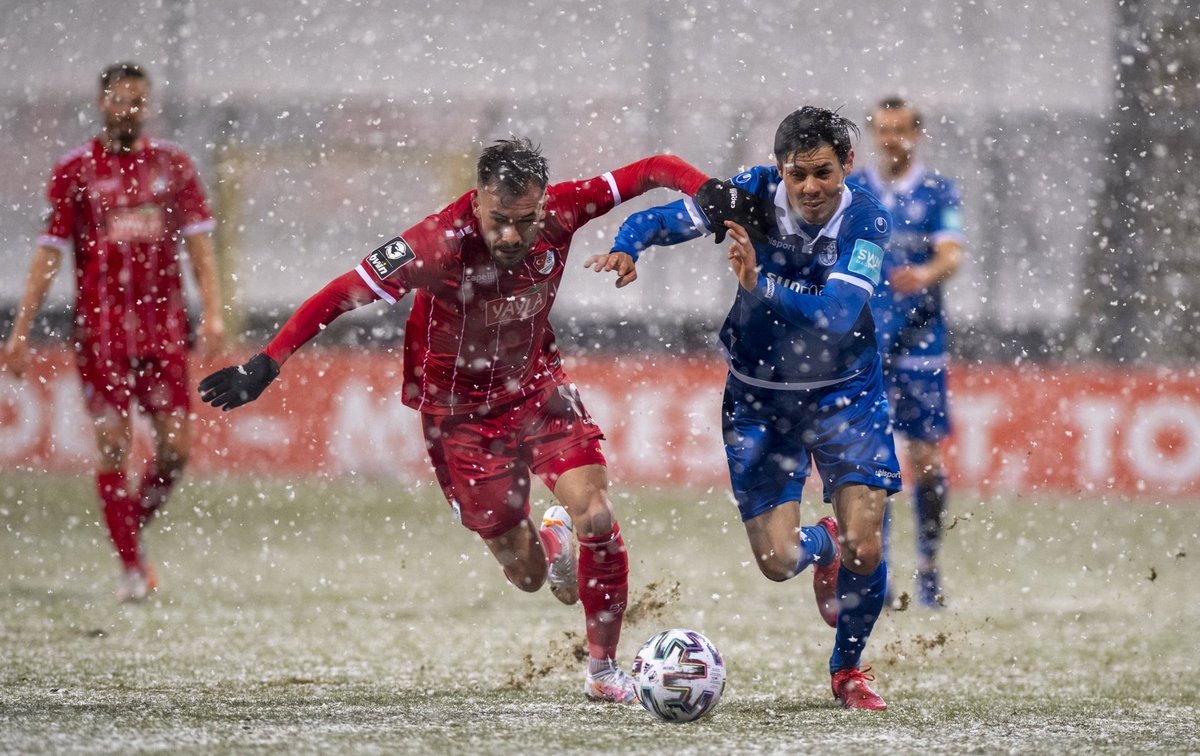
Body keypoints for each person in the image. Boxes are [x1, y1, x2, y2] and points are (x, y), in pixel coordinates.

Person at [197, 137, 715, 704]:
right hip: (458, 417)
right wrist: (268, 361)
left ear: (544, 203)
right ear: (478, 200)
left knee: (595, 511)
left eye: (525, 221)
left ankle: (602, 671)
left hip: (537, 389)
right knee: (527, 575)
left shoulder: (565, 209)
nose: (512, 236)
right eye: (499, 221)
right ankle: (551, 539)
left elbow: (652, 168)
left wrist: (708, 191)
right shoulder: (436, 243)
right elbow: (343, 292)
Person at [601, 107, 901, 711]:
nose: (809, 187)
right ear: (779, 168)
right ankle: (824, 544)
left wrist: (760, 285)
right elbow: (661, 220)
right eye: (797, 174)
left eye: (822, 172)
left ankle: (847, 669)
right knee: (779, 561)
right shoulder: (750, 193)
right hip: (759, 399)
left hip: (845, 393)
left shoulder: (865, 220)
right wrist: (627, 246)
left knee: (868, 546)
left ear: (847, 164)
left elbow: (837, 316)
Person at [3, 62, 224, 603]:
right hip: (101, 333)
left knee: (176, 450)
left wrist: (214, 312)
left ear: (148, 105)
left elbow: (200, 246)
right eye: (120, 100)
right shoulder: (75, 170)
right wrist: (21, 331)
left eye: (137, 100)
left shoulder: (173, 166)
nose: (129, 109)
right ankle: (131, 567)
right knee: (113, 445)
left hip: (162, 329)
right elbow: (49, 256)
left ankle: (128, 526)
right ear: (102, 103)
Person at [847, 96, 964, 608]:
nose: (891, 139)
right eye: (883, 130)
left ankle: (929, 565)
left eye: (900, 130)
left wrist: (924, 274)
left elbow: (951, 254)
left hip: (920, 343)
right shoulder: (855, 191)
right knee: (875, 459)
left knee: (925, 458)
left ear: (915, 133)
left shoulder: (938, 191)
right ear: (874, 134)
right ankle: (883, 571)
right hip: (867, 343)